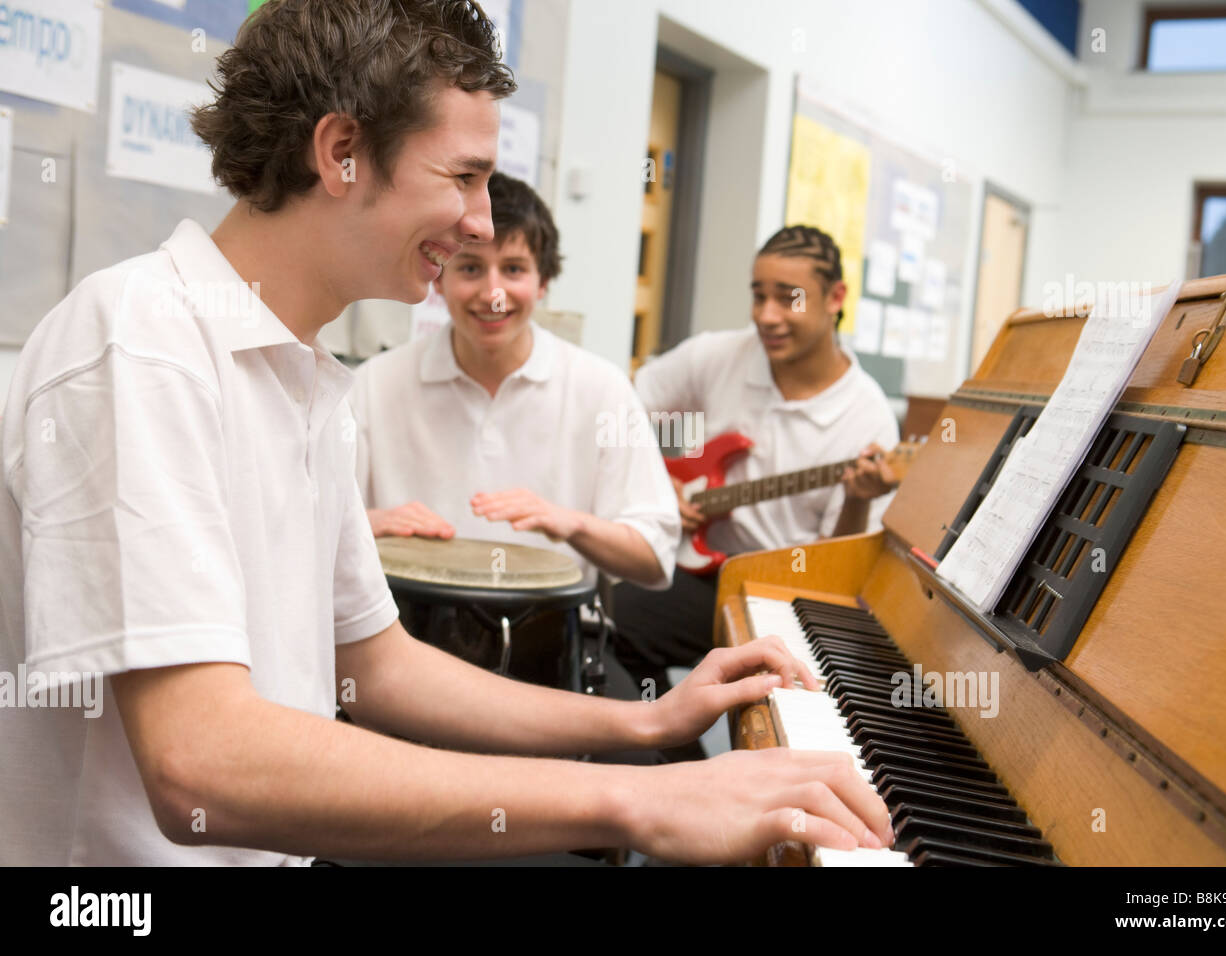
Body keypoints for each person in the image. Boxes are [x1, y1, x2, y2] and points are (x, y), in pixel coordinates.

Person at [0, 0, 891, 865]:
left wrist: (643, 724)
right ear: (342, 153)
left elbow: (381, 667)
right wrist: (644, 797)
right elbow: (201, 766)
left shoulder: (302, 377)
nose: (482, 220)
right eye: (461, 177)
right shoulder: (142, 342)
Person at [351, 172, 678, 683]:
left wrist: (570, 523)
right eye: (471, 268)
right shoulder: (373, 384)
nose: (494, 293)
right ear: (438, 277)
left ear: (544, 282)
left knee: (640, 753)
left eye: (514, 269)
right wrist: (366, 522)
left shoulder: (600, 387)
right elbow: (302, 528)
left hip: (552, 652)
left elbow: (655, 559)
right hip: (402, 654)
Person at [612, 225, 902, 709]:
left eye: (789, 299)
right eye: (758, 296)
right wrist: (660, 481)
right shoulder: (720, 354)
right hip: (704, 573)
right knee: (614, 619)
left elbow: (836, 573)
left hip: (786, 596)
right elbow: (621, 409)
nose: (767, 317)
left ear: (835, 297)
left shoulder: (867, 418)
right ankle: (669, 754)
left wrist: (855, 497)